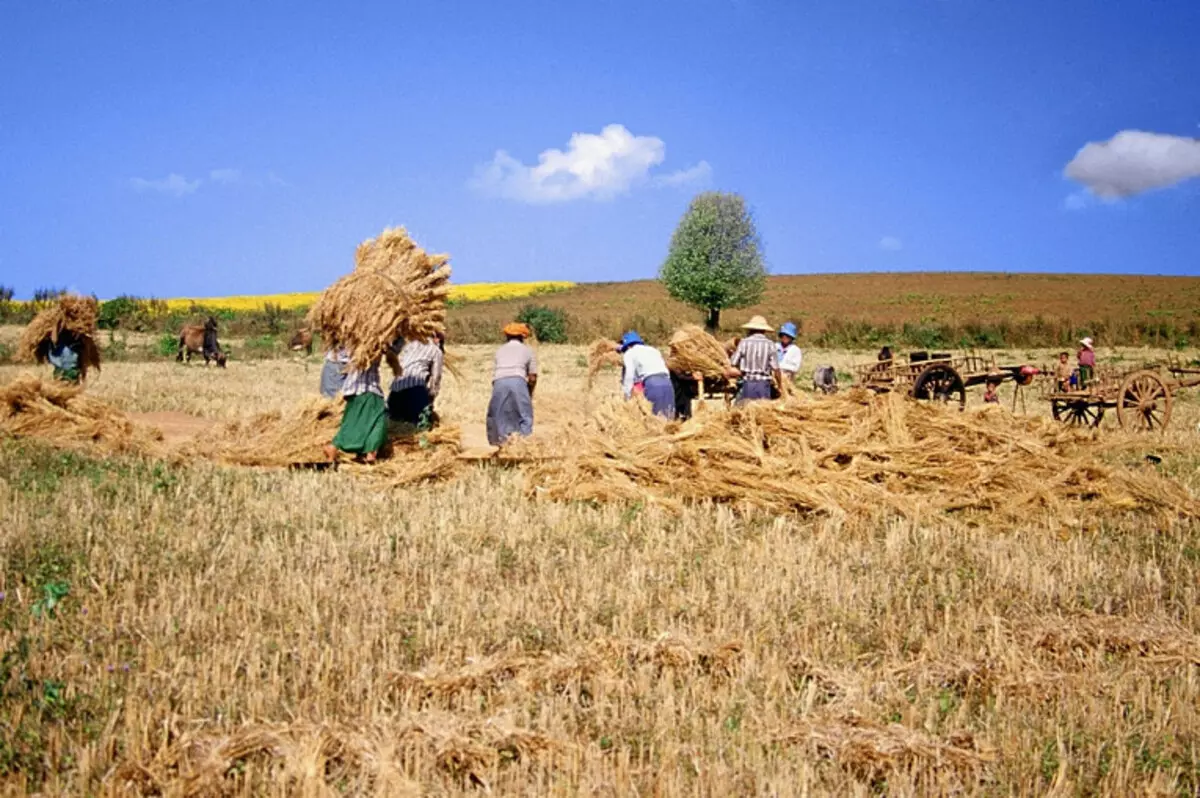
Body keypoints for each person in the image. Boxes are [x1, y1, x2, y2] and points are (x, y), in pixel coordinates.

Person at [324, 347, 401, 464]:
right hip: (366, 387)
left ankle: (366, 453)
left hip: (354, 388)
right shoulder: (366, 342)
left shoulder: (354, 341)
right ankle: (365, 452)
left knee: (354, 422)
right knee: (378, 421)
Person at [486, 322, 538, 446]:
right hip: (518, 381)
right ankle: (523, 444)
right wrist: (529, 392)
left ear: (507, 336)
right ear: (522, 337)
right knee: (524, 413)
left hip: (499, 382)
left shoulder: (500, 350)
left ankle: (500, 443)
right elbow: (532, 377)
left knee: (498, 413)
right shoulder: (528, 351)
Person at [387, 334, 445, 428]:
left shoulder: (412, 344)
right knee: (424, 426)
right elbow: (436, 377)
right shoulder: (436, 351)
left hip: (395, 392)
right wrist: (430, 398)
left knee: (396, 424)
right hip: (415, 390)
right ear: (437, 339)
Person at [619, 331, 674, 419]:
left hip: (652, 384)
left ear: (628, 346)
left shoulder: (629, 353)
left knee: (655, 419)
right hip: (668, 383)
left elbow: (629, 376)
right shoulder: (653, 350)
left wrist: (627, 396)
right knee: (669, 418)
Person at [726, 315, 781, 404]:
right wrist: (780, 385)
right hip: (764, 385)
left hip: (748, 384)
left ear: (750, 329)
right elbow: (776, 368)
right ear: (764, 330)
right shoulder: (770, 344)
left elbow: (733, 362)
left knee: (744, 412)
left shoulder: (744, 343)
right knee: (762, 412)